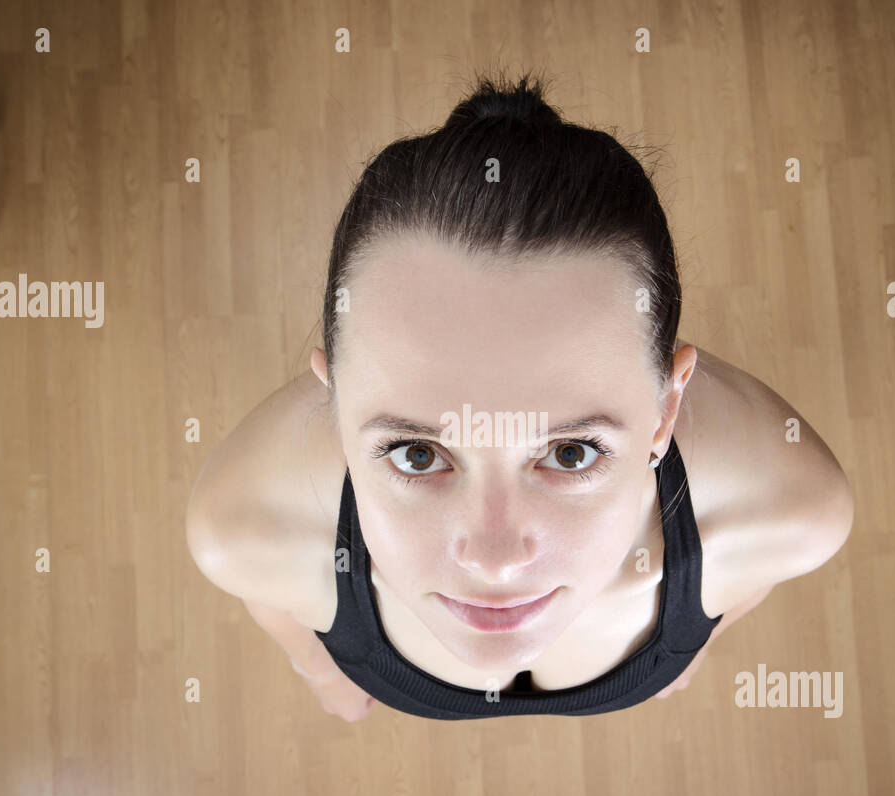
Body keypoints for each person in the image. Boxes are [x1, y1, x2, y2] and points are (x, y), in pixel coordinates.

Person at [186, 70, 853, 722]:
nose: (496, 562)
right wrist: (317, 666)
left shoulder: (792, 509)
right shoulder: (242, 528)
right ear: (333, 405)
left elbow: (741, 589)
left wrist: (692, 644)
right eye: (416, 454)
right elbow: (271, 598)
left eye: (569, 452)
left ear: (665, 411)